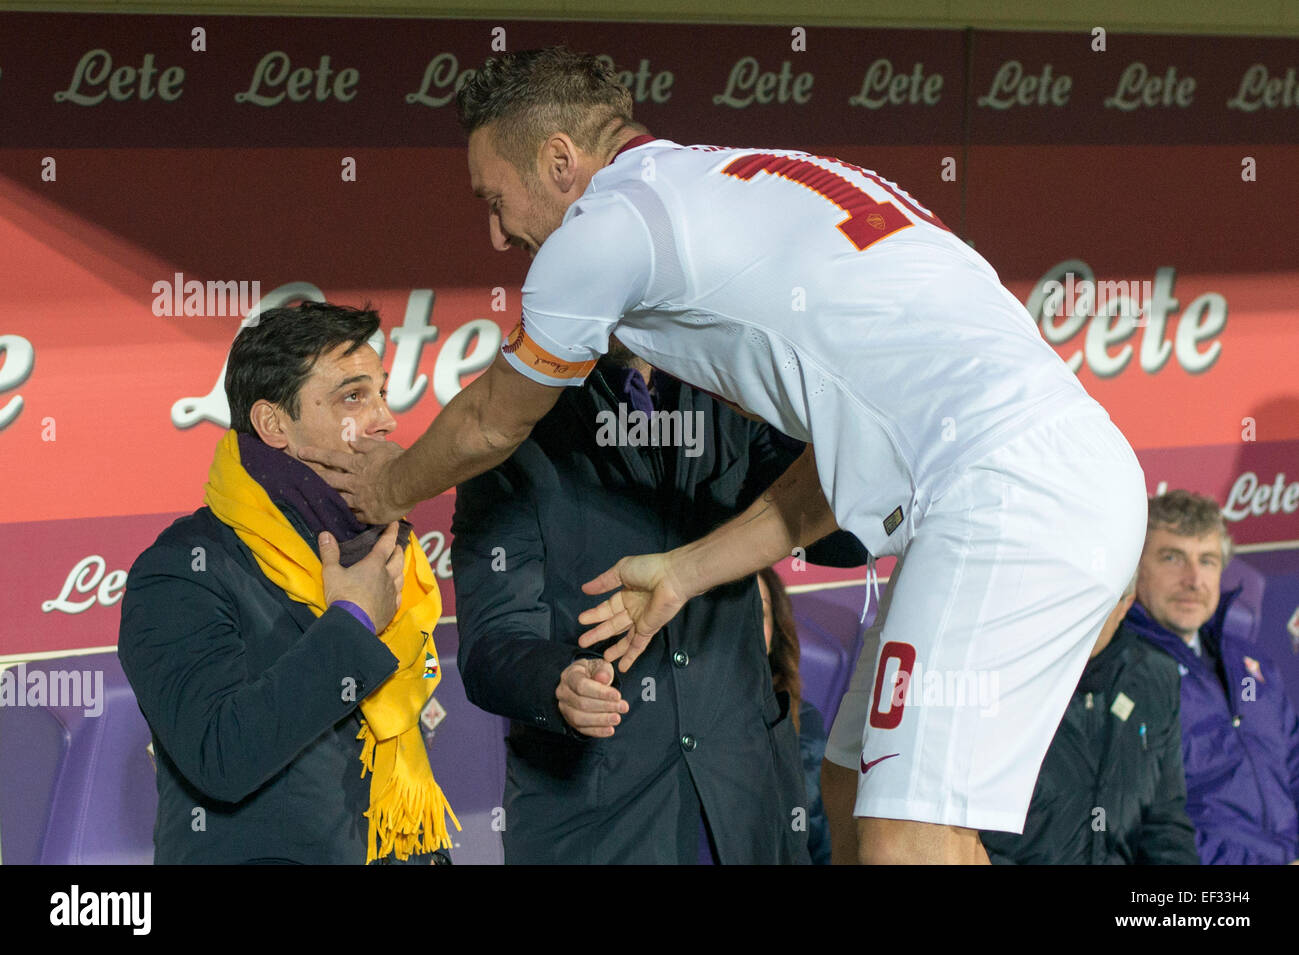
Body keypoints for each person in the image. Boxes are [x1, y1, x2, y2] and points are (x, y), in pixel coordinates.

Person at [299, 48, 1147, 864]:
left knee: (908, 840)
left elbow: (491, 420)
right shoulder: (736, 183)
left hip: (1004, 494)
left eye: (496, 196)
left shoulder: (606, 228)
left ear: (561, 159)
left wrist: (384, 487)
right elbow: (821, 481)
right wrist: (685, 570)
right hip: (1056, 474)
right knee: (850, 789)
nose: (496, 233)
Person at [451, 342, 864, 863]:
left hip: (749, 807)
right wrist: (561, 681)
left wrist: (797, 400)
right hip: (597, 822)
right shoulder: (508, 419)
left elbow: (849, 539)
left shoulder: (734, 394)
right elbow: (493, 640)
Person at [118, 302, 458, 864]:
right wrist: (351, 624)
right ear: (274, 424)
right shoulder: (180, 569)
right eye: (354, 396)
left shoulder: (386, 549)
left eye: (381, 392)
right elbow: (219, 756)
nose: (384, 419)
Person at [1126, 490, 1299, 865]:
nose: (1193, 579)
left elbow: (1295, 766)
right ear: (1135, 566)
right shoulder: (1123, 676)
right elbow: (1143, 827)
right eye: (1172, 557)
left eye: (1207, 560)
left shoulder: (1251, 664)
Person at [979, 577, 1199, 864]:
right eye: (1073, 597)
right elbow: (963, 832)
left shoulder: (1156, 678)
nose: (1082, 614)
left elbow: (1165, 825)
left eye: (1099, 602)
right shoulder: (996, 676)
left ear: (1125, 606)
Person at [758, 566, 832, 864]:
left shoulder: (802, 719)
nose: (745, 630)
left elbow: (823, 840)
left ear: (775, 632)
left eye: (758, 614)